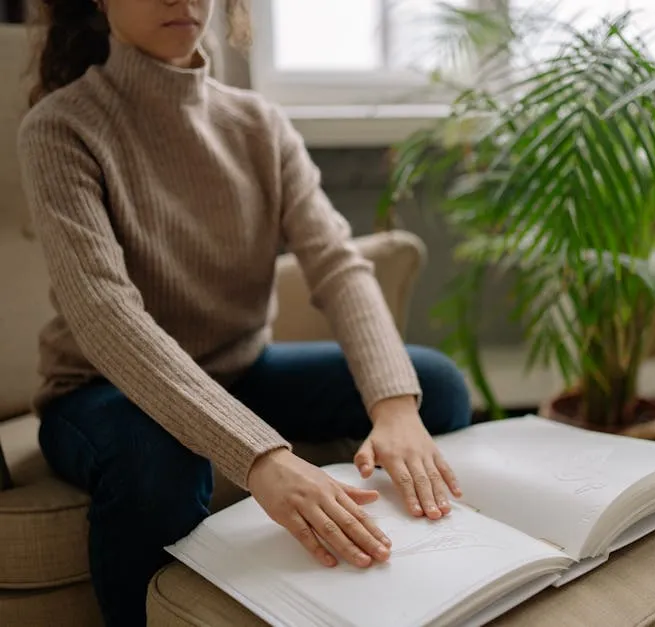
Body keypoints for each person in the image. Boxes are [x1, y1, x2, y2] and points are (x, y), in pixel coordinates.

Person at [17, 0, 472, 624]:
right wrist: (261, 458)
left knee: (434, 386)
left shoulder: (260, 124)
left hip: (239, 369)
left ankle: (420, 584)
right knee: (161, 463)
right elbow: (104, 314)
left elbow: (337, 264)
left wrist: (394, 406)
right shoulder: (61, 127)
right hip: (103, 391)